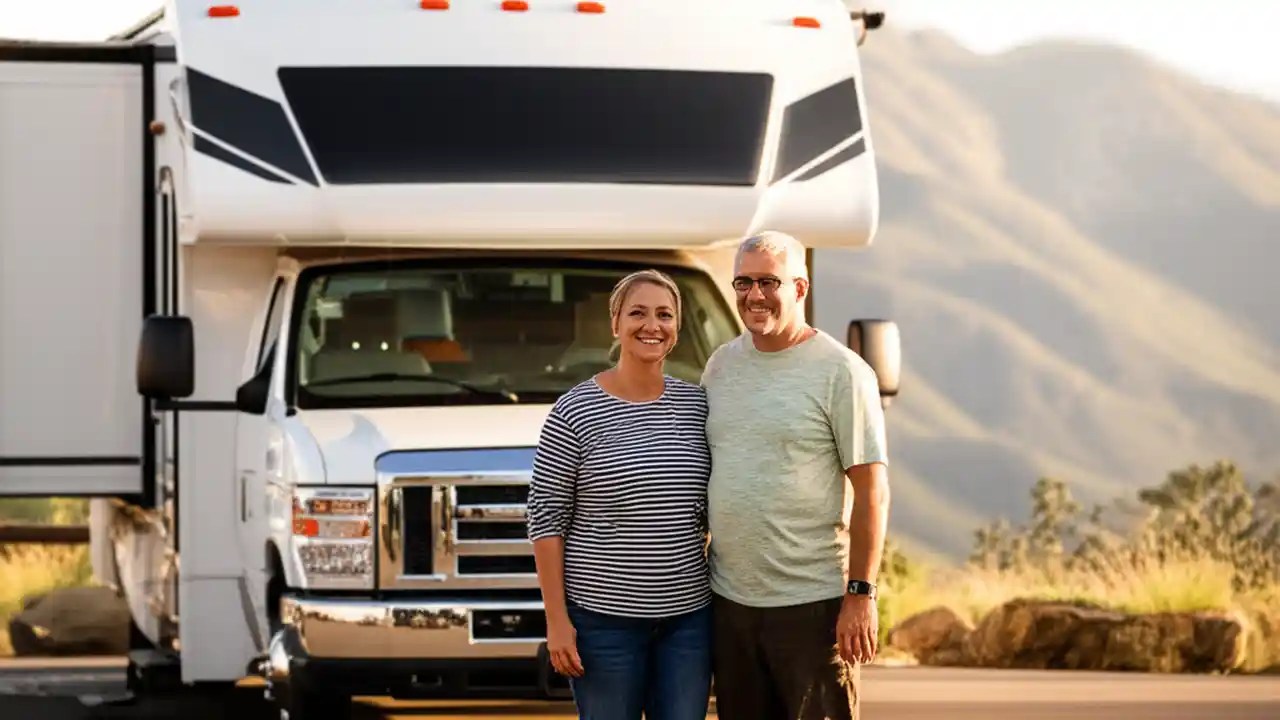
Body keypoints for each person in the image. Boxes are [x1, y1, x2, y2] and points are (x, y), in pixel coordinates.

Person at [701, 231, 891, 720]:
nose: (754, 295)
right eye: (743, 282)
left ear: (800, 288)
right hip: (731, 605)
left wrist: (861, 595)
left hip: (812, 607)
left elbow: (872, 491)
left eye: (769, 281)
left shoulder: (841, 372)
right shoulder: (721, 366)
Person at [527, 269, 713, 720]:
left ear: (676, 328)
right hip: (602, 623)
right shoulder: (574, 411)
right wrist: (557, 622)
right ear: (615, 324)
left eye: (665, 314)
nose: (652, 325)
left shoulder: (698, 406)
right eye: (638, 313)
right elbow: (545, 518)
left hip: (687, 621)